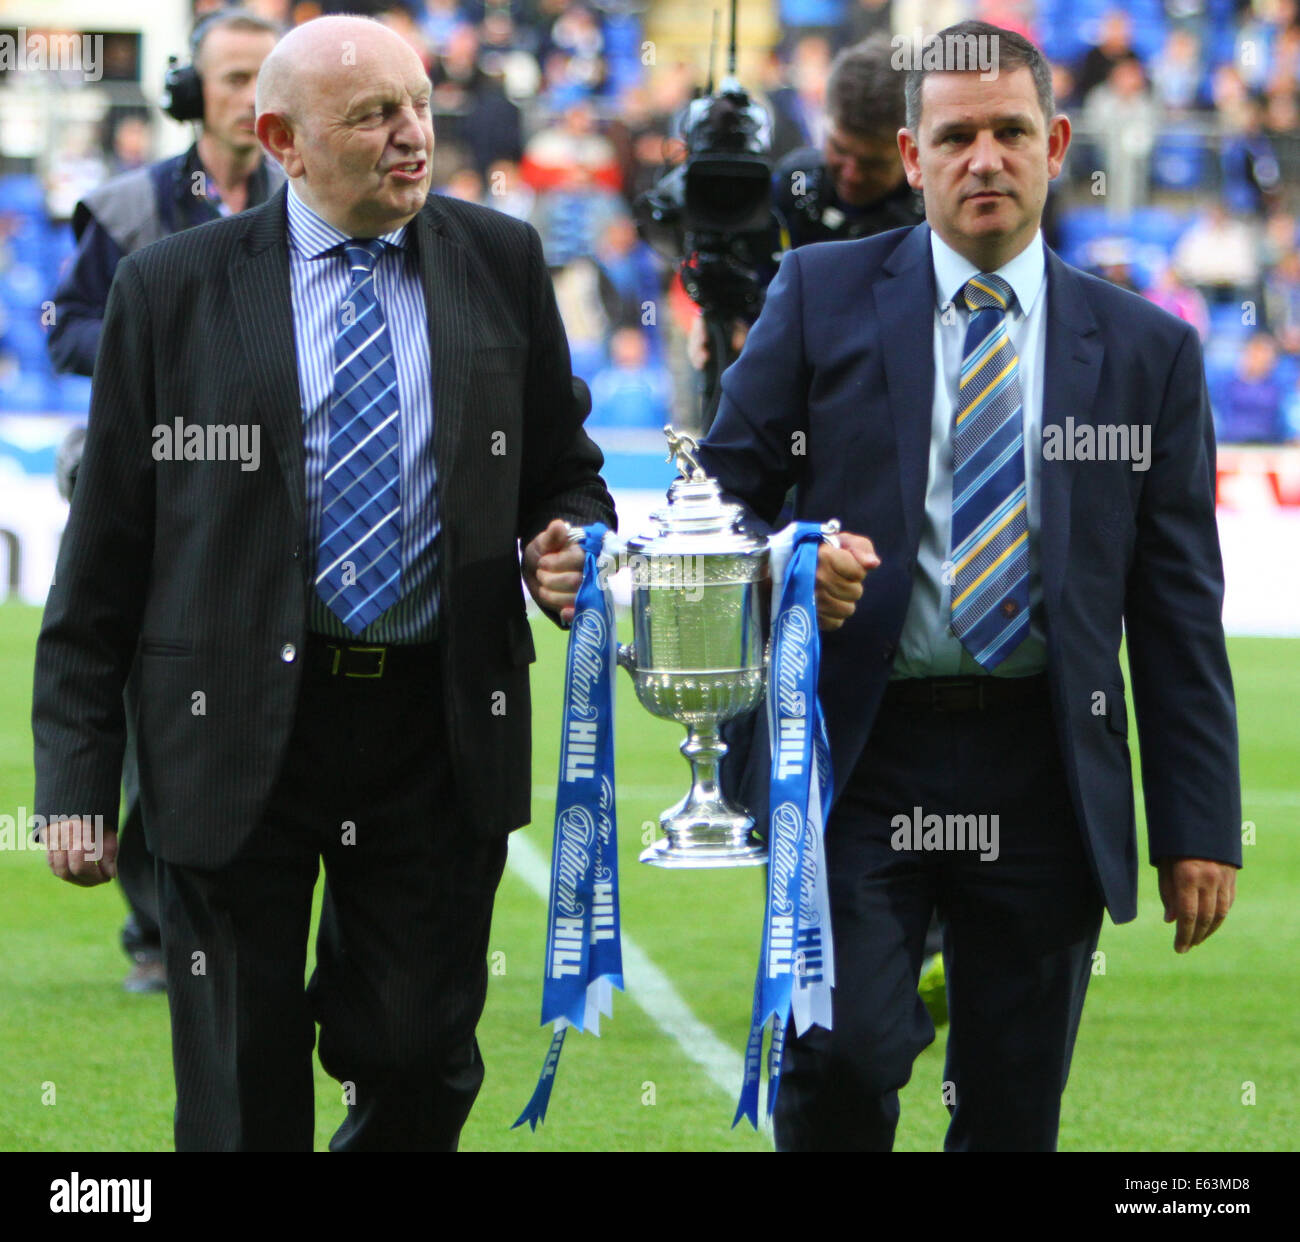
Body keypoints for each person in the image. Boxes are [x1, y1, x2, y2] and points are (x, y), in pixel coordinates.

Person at [32, 14, 614, 1152]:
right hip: (227, 726)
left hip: (432, 729)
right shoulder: (169, 288)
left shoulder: (499, 259)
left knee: (417, 1055)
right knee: (240, 1092)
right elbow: (103, 552)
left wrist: (566, 540)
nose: (412, 138)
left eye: (418, 108)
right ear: (281, 141)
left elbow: (567, 474)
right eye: (372, 117)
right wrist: (75, 775)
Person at [696, 20, 1240, 1152]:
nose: (982, 159)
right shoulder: (818, 294)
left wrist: (1199, 822)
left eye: (1006, 133)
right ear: (911, 156)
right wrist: (787, 561)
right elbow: (719, 500)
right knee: (843, 1054)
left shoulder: (1147, 351)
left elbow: (1176, 605)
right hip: (858, 748)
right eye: (954, 138)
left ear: (1053, 143)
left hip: (1043, 763)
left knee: (1010, 1102)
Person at [773, 36, 924, 250]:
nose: (851, 174)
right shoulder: (796, 184)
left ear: (913, 151)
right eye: (839, 149)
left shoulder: (935, 219)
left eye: (872, 163)